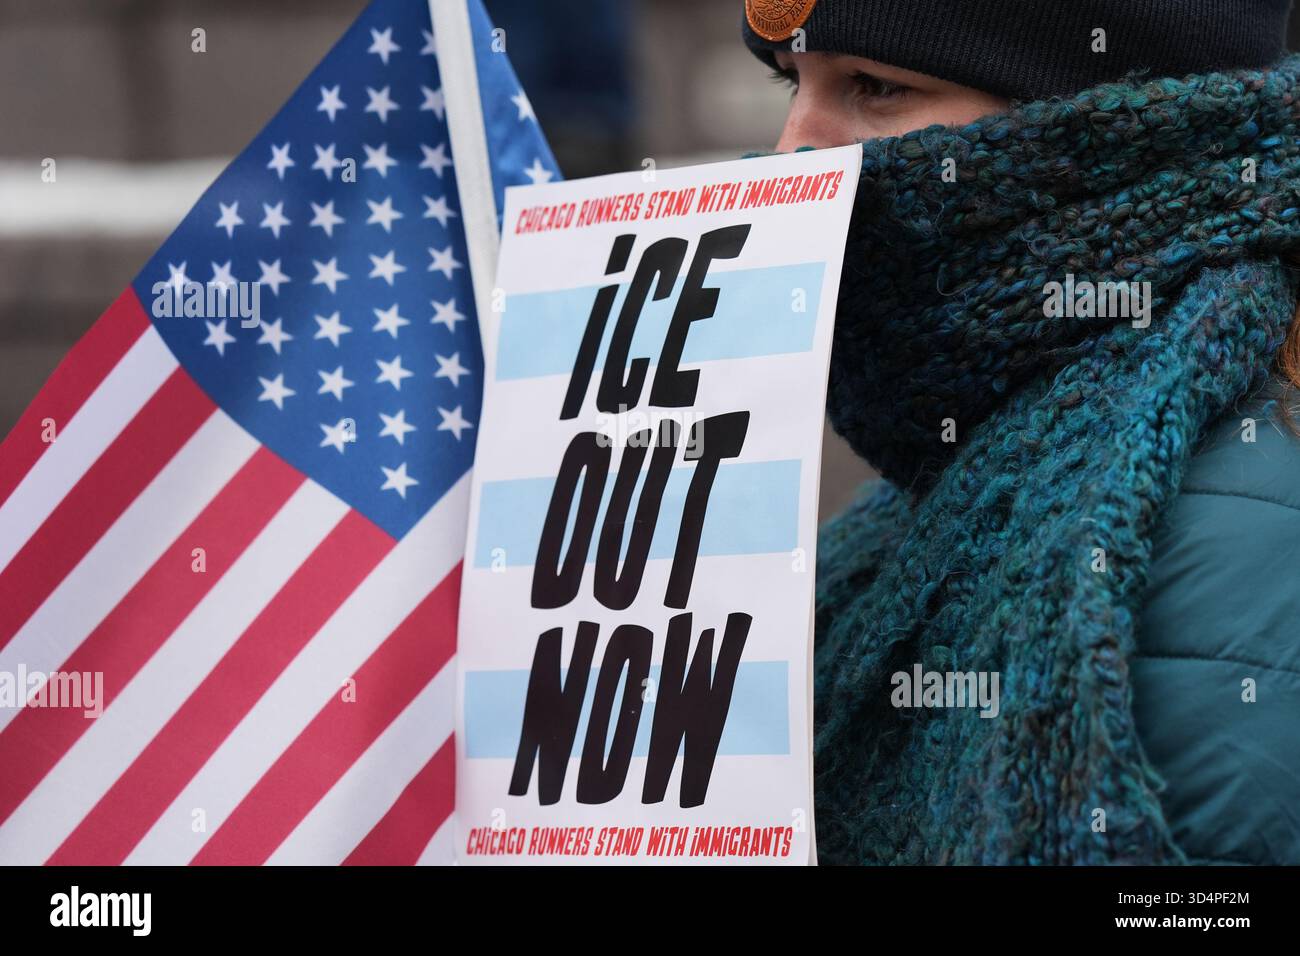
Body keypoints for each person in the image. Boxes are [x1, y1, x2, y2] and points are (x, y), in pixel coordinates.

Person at [742, 0, 1300, 864]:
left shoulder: (1221, 549)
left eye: (877, 88)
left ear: (1104, 134)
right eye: (792, 84)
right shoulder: (954, 479)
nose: (790, 153)